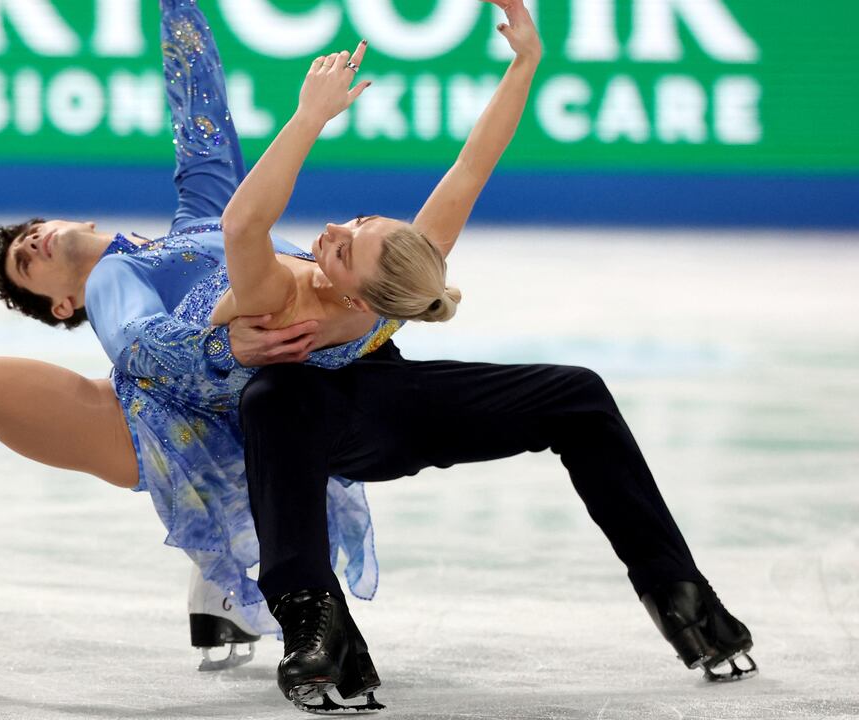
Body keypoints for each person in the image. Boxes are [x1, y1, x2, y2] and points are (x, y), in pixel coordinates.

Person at [238, 0, 757, 713]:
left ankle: (680, 596)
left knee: (577, 394)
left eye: (348, 240)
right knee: (275, 398)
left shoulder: (394, 281)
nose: (331, 227)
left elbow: (473, 163)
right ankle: (315, 628)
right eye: (354, 223)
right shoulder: (295, 286)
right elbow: (463, 166)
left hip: (387, 408)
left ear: (366, 301)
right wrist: (523, 61)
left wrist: (527, 62)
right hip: (296, 420)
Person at [0, 0, 393, 696]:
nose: (36, 244)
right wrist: (222, 346)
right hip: (158, 430)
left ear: (76, 217)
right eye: (30, 264)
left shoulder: (205, 216)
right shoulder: (112, 280)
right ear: (63, 304)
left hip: (283, 409)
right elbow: (142, 347)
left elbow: (199, 107)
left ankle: (222, 575)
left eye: (33, 233)